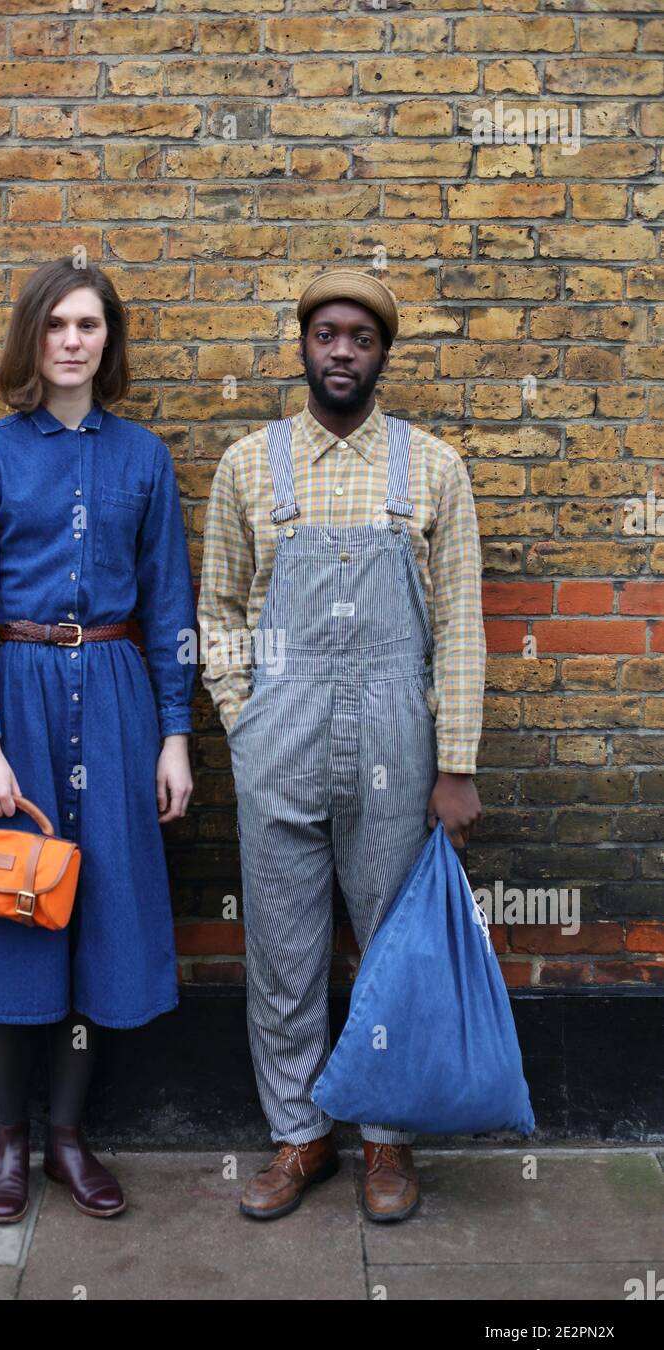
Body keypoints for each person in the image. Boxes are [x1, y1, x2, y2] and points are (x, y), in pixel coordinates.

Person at [197, 269, 486, 1223]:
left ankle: (387, 1145)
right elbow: (223, 613)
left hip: (401, 740)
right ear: (304, 344)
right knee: (283, 950)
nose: (342, 351)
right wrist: (246, 723)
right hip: (281, 731)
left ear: (382, 354)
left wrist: (456, 764)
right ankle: (300, 1136)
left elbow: (462, 627)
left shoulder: (432, 468)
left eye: (361, 337)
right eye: (327, 333)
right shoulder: (249, 465)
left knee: (392, 948)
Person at [0, 257, 196, 1224]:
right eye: (57, 325)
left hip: (121, 697)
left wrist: (175, 734)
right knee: (12, 907)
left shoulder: (145, 460)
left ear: (108, 341)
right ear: (32, 340)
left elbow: (170, 602)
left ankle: (68, 1139)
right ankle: (7, 1137)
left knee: (99, 915)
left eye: (89, 325)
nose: (74, 341)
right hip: (20, 695)